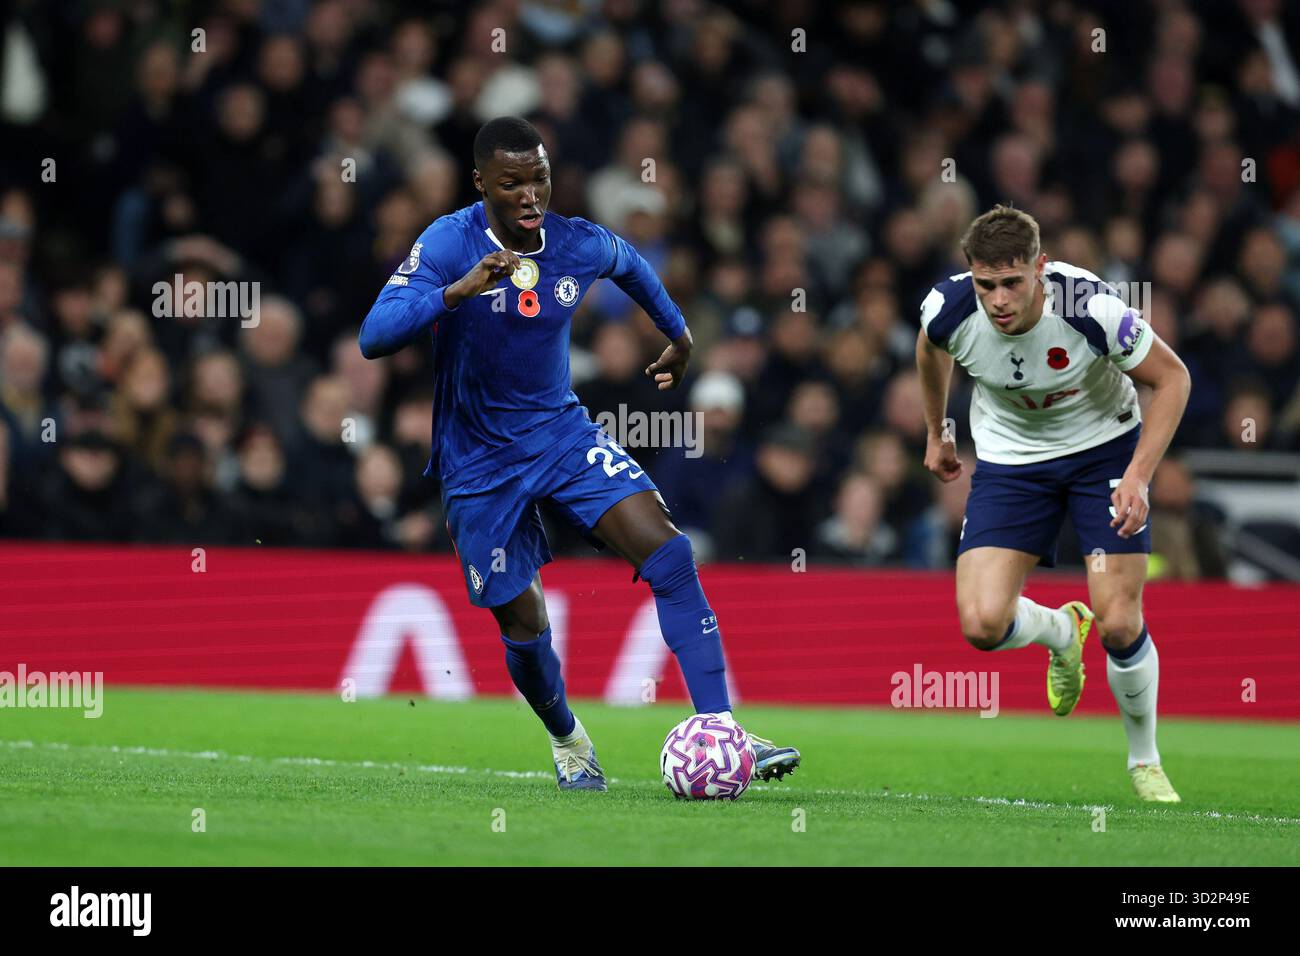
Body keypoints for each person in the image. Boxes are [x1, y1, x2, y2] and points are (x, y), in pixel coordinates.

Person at [358, 117, 799, 791]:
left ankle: (722, 728)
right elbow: (374, 335)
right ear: (482, 185)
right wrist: (455, 292)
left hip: (562, 436)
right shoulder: (449, 242)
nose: (531, 195)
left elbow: (629, 263)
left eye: (539, 178)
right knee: (525, 623)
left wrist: (678, 336)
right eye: (513, 184)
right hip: (478, 465)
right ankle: (568, 737)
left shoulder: (574, 242)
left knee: (671, 553)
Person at [915, 205, 1192, 802]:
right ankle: (1063, 630)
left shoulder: (1090, 308)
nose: (999, 300)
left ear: (1040, 268)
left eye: (1013, 282)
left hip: (1103, 452)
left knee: (1119, 621)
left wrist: (1139, 477)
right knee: (982, 625)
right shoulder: (949, 308)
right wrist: (938, 429)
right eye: (986, 285)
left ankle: (1144, 761)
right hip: (1013, 461)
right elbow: (930, 350)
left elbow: (1173, 380)